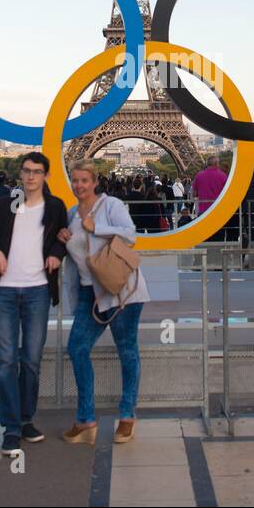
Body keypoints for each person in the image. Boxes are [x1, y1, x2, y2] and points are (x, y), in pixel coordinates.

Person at [0, 151, 68, 455]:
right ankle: (12, 426)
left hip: (37, 290)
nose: (31, 176)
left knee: (30, 361)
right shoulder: (9, 205)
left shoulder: (55, 207)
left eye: (37, 171)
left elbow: (62, 238)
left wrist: (57, 251)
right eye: (26, 171)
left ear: (45, 176)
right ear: (21, 174)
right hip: (5, 291)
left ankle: (25, 418)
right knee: (6, 361)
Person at [59, 160, 150, 445]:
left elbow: (131, 235)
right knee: (76, 348)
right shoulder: (72, 214)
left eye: (84, 180)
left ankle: (127, 416)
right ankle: (86, 419)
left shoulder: (111, 205)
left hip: (121, 291)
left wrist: (96, 226)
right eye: (74, 180)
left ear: (95, 182)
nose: (78, 185)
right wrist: (63, 238)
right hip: (90, 292)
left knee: (127, 350)